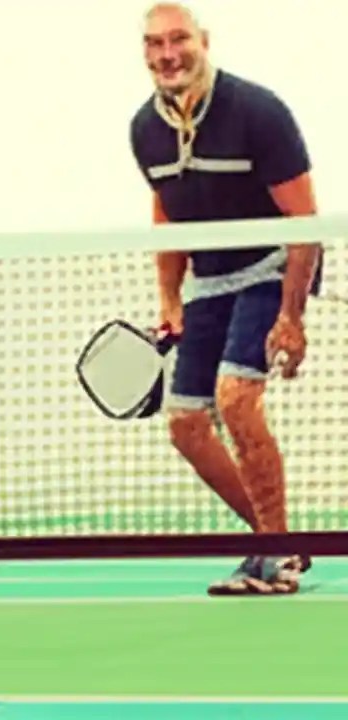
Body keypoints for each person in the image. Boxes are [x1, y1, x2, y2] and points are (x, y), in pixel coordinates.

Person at [130, 2, 319, 595]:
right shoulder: (145, 128)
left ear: (203, 41)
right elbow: (167, 216)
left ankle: (273, 556)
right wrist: (169, 297)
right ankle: (276, 544)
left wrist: (292, 317)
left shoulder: (257, 112)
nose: (168, 53)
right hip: (209, 278)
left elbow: (304, 225)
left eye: (178, 39)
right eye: (155, 44)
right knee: (186, 424)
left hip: (271, 264)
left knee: (236, 399)